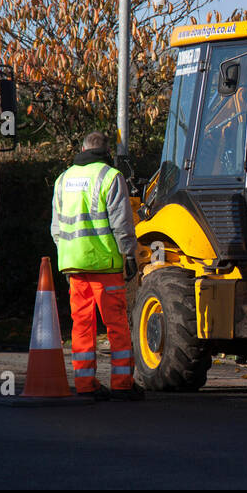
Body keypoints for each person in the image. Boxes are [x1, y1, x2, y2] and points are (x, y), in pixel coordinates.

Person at [50, 131, 143, 401]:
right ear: (106, 152)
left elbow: (56, 228)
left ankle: (85, 385)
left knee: (82, 325)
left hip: (74, 265)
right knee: (116, 326)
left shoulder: (63, 179)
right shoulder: (110, 177)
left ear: (82, 148)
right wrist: (129, 255)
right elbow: (121, 222)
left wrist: (67, 256)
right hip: (105, 266)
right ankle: (122, 384)